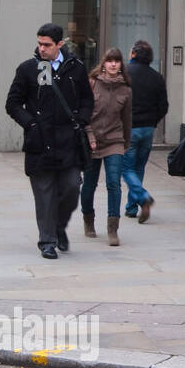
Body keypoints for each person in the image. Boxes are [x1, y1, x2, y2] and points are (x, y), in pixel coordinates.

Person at [4, 23, 94, 259]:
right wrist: (31, 124)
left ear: (59, 44)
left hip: (68, 142)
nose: (41, 48)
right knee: (44, 194)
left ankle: (59, 226)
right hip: (40, 142)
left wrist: (81, 121)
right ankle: (47, 241)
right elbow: (12, 103)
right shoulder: (28, 69)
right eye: (39, 43)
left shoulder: (76, 68)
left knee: (72, 188)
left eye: (47, 44)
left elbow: (87, 100)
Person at [80, 48, 133, 247]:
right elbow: (82, 113)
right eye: (109, 61)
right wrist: (90, 135)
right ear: (103, 63)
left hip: (115, 141)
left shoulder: (126, 89)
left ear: (121, 65)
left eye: (117, 61)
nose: (113, 64)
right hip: (92, 140)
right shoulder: (92, 83)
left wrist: (125, 143)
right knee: (89, 185)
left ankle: (113, 229)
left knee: (114, 183)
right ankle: (88, 220)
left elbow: (127, 119)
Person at [123, 39, 168, 222]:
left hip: (129, 128)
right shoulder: (157, 77)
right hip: (148, 128)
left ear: (133, 54)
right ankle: (131, 207)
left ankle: (142, 197)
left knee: (126, 168)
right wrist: (153, 121)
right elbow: (164, 106)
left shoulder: (125, 74)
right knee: (139, 167)